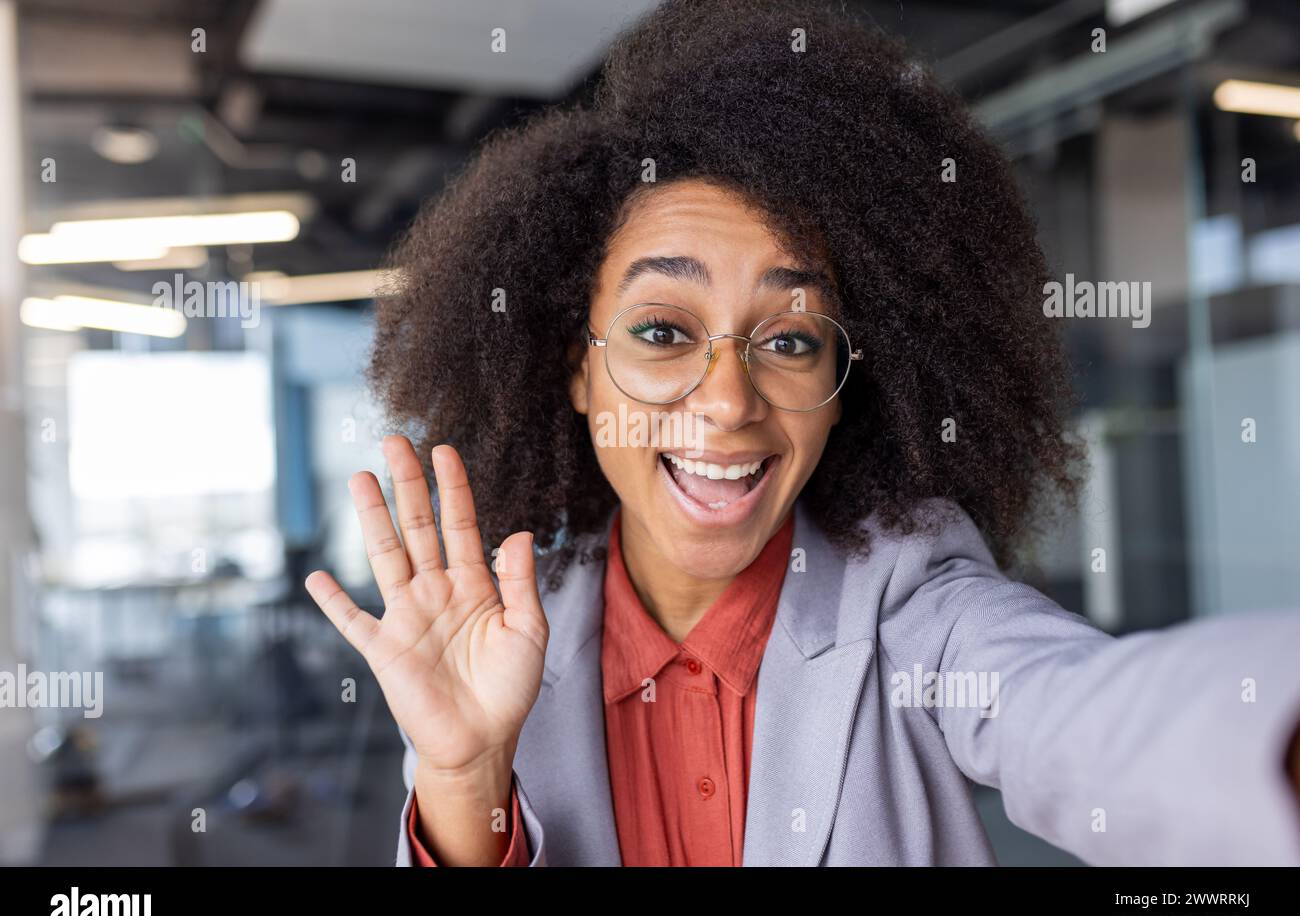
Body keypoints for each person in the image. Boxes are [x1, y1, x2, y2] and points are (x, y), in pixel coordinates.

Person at [305, 0, 1300, 866]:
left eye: (788, 339)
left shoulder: (916, 603)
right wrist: (464, 773)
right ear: (572, 364)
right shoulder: (493, 646)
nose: (729, 401)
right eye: (662, 331)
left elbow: (1087, 717)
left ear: (845, 379)